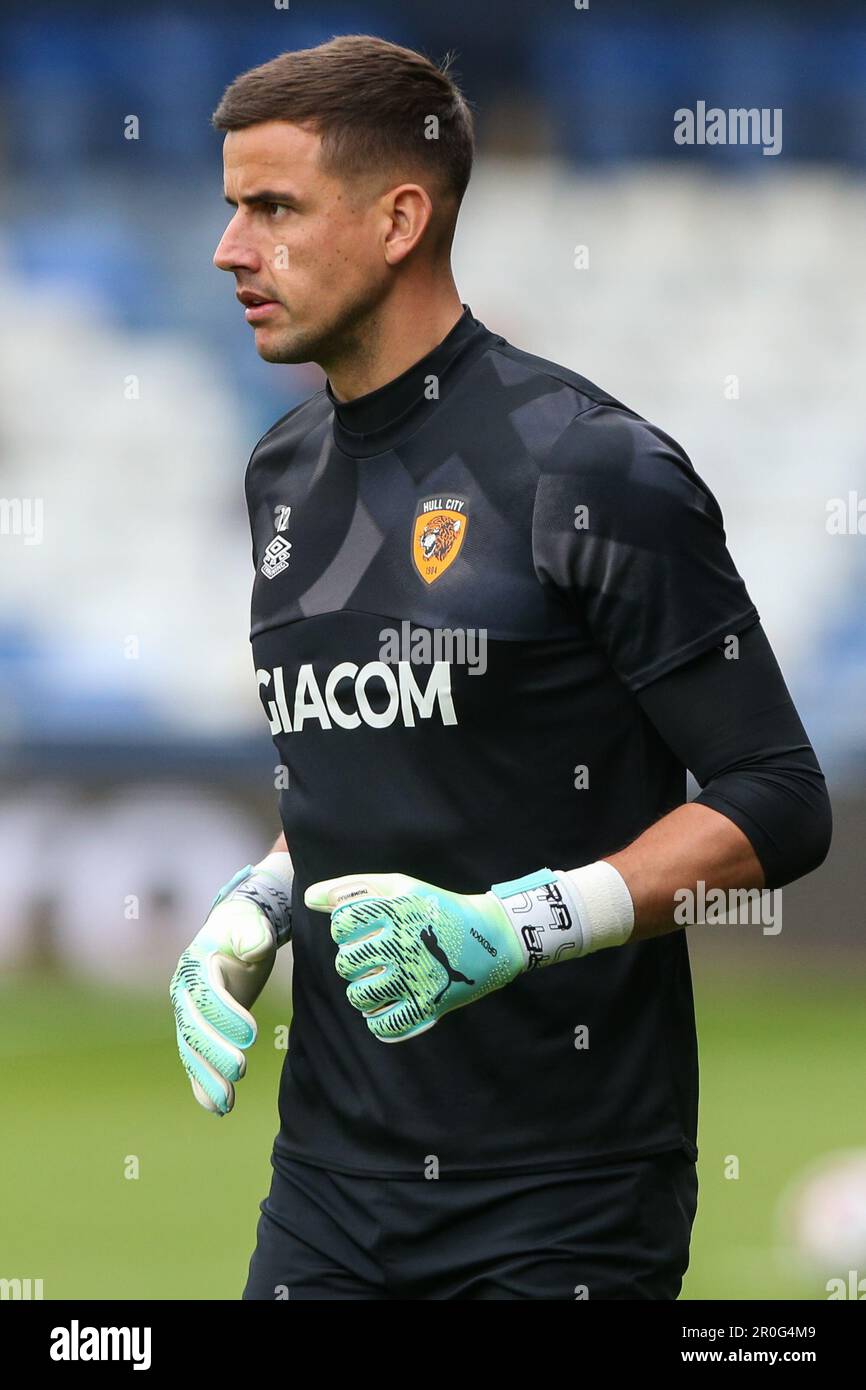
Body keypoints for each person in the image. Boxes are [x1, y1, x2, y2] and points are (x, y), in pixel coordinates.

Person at [170, 34, 831, 1300]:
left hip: (562, 1201)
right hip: (324, 1188)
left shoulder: (589, 468)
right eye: (228, 209)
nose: (229, 250)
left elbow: (774, 796)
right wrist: (256, 899)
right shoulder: (280, 473)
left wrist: (517, 927)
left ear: (400, 217)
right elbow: (385, 763)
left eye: (271, 208)